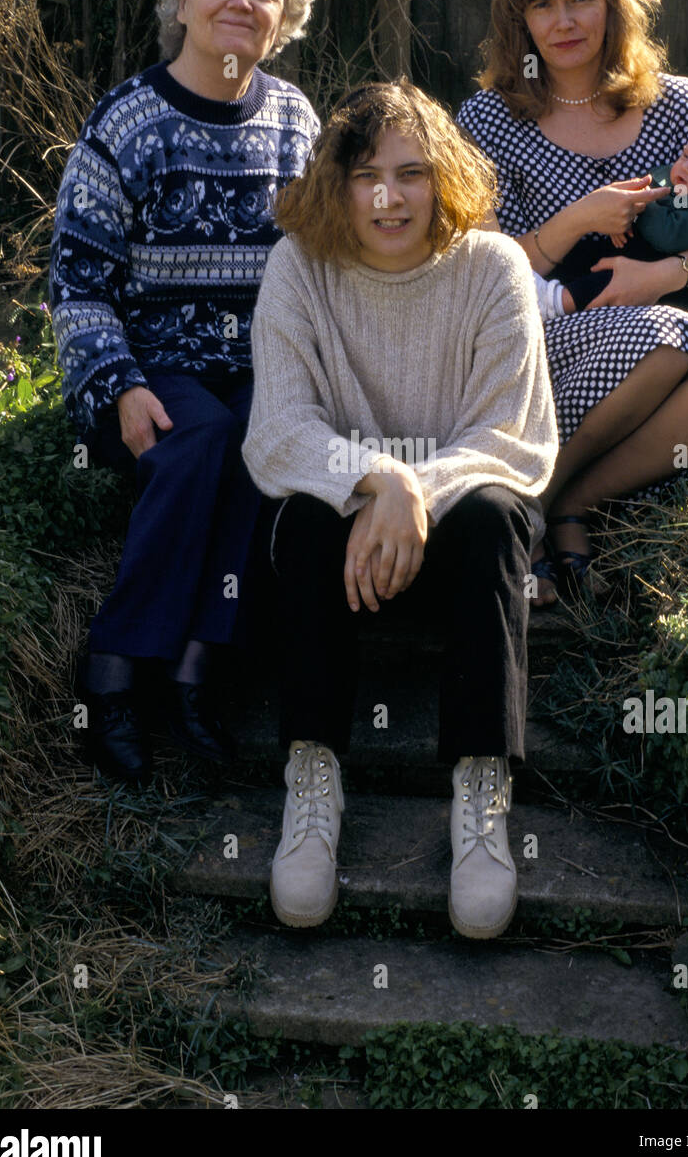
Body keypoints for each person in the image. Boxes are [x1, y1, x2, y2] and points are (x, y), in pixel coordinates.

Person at [241, 80, 565, 939]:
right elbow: (275, 433)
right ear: (335, 184)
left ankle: (479, 789)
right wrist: (378, 481)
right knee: (305, 518)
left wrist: (413, 491)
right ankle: (312, 778)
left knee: (497, 514)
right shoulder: (298, 267)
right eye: (366, 176)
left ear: (443, 177)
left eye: (411, 173)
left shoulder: (492, 266)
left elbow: (517, 437)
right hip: (342, 544)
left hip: (460, 535)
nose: (389, 198)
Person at [49, 0, 320, 782]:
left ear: (284, 17)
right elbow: (77, 284)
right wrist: (120, 385)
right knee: (202, 434)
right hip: (148, 366)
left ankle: (202, 671)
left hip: (261, 368)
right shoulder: (126, 122)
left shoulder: (295, 124)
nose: (242, 2)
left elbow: (324, 267)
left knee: (261, 438)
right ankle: (116, 673)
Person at [457, 0, 688, 605]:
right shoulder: (488, 119)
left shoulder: (679, 105)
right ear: (518, 22)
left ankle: (570, 498)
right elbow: (485, 267)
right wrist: (578, 219)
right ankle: (527, 512)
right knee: (657, 340)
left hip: (656, 317)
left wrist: (658, 277)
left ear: (613, 5)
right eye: (540, 3)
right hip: (540, 329)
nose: (562, 19)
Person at [556, 118, 688, 310]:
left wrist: (642, 205)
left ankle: (554, 305)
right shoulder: (687, 187)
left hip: (656, 283)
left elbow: (667, 233)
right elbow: (664, 198)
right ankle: (544, 282)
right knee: (579, 254)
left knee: (600, 284)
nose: (685, 167)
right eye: (686, 155)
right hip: (629, 250)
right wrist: (621, 218)